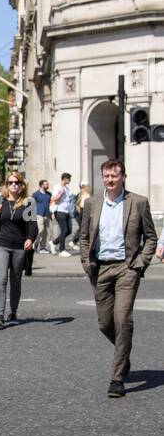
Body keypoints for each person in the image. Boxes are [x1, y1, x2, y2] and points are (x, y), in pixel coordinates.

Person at [78, 158, 157, 397]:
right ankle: (124, 353)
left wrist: (140, 264)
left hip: (126, 268)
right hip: (100, 269)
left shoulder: (138, 202)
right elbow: (83, 237)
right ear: (102, 178)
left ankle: (117, 378)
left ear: (123, 176)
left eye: (115, 176)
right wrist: (86, 261)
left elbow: (151, 237)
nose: (110, 180)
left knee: (123, 319)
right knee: (105, 324)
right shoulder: (92, 203)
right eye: (106, 176)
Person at [0, 173, 36, 329]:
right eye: (10, 183)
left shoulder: (28, 203)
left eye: (17, 182)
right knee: (1, 279)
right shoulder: (0, 200)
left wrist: (30, 238)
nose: (13, 185)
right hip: (1, 245)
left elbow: (32, 225)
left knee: (15, 281)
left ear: (22, 185)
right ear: (7, 185)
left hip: (19, 247)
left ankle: (13, 312)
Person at [51, 172, 73, 255]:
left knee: (69, 230)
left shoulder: (66, 188)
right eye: (69, 179)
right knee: (64, 230)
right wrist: (60, 193)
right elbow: (54, 199)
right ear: (65, 179)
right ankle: (62, 250)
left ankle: (54, 242)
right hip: (60, 211)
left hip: (67, 211)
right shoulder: (57, 187)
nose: (70, 181)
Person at [30, 180, 51, 252]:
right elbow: (31, 204)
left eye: (47, 184)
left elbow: (51, 204)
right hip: (39, 214)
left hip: (47, 215)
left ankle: (42, 247)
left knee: (46, 233)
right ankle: (34, 243)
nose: (47, 186)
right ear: (41, 185)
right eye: (46, 184)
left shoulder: (49, 194)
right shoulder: (35, 194)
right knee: (40, 229)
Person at [68, 184, 90, 252]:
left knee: (83, 228)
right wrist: (80, 213)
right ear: (84, 187)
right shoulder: (81, 194)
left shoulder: (86, 194)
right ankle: (74, 241)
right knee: (82, 227)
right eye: (87, 186)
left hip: (83, 212)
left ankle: (75, 241)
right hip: (81, 212)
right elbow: (78, 204)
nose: (89, 187)